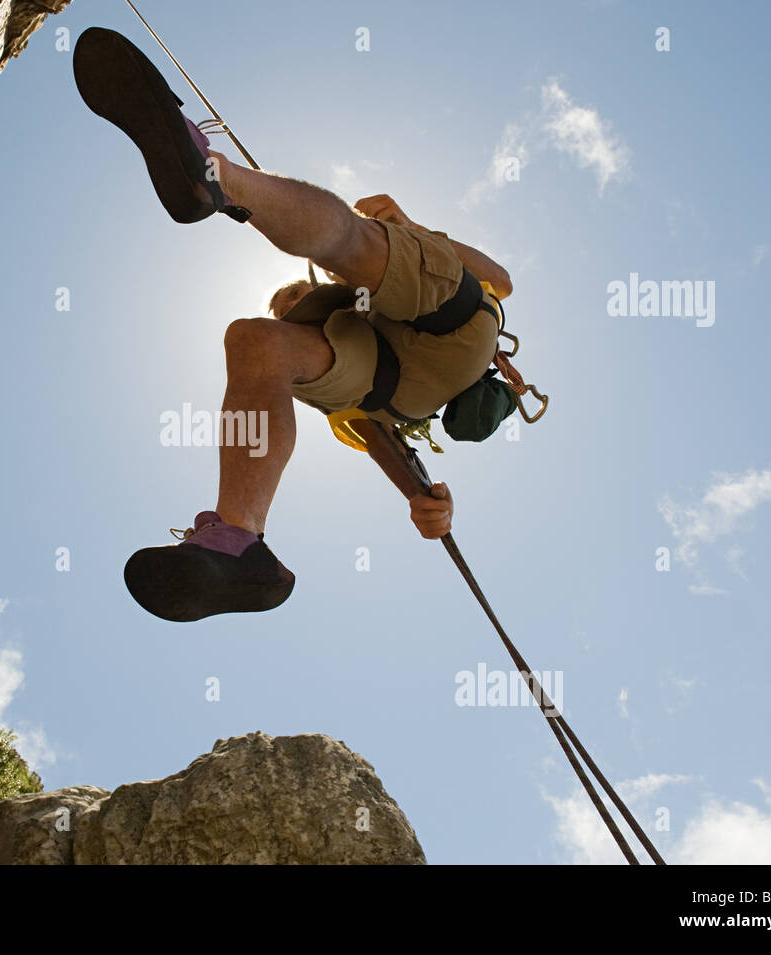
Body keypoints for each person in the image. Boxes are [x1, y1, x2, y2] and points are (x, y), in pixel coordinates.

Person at [74, 28, 512, 622]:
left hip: (454, 340)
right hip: (393, 388)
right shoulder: (331, 335)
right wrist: (420, 498)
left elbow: (499, 280)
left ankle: (216, 177)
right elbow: (375, 430)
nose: (291, 305)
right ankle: (237, 545)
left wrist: (411, 227)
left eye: (295, 296)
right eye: (289, 306)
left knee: (355, 245)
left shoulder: (368, 275)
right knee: (252, 342)